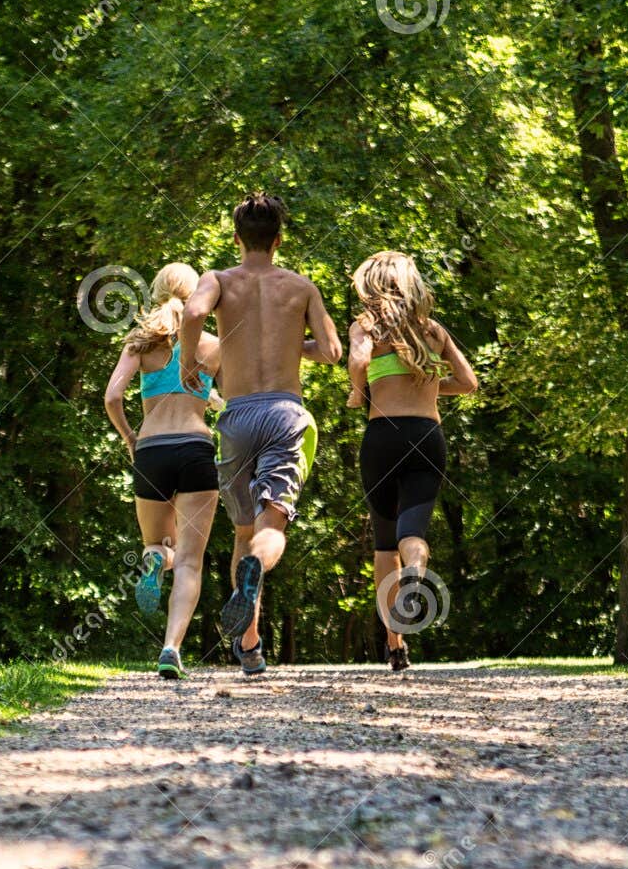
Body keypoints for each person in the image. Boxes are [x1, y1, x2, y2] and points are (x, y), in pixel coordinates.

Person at [179, 193, 342, 676]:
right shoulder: (301, 287)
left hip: (237, 414)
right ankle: (256, 581)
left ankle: (249, 646)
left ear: (236, 237)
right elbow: (332, 351)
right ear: (278, 239)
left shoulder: (219, 280)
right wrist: (295, 344)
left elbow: (191, 314)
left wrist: (190, 363)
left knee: (242, 531)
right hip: (285, 414)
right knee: (271, 529)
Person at [347, 251, 478, 671]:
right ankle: (416, 576)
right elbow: (469, 383)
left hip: (382, 437)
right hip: (427, 436)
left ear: (371, 285)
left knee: (385, 541)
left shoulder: (367, 326)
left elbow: (359, 359)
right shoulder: (432, 330)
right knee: (413, 528)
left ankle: (394, 643)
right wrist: (425, 387)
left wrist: (358, 390)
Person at [104, 263, 221, 679]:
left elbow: (113, 396)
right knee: (189, 559)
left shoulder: (139, 343)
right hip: (195, 448)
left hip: (152, 451)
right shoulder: (211, 344)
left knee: (156, 545)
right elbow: (211, 393)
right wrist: (214, 403)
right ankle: (171, 648)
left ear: (156, 292)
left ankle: (154, 561)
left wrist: (130, 438)